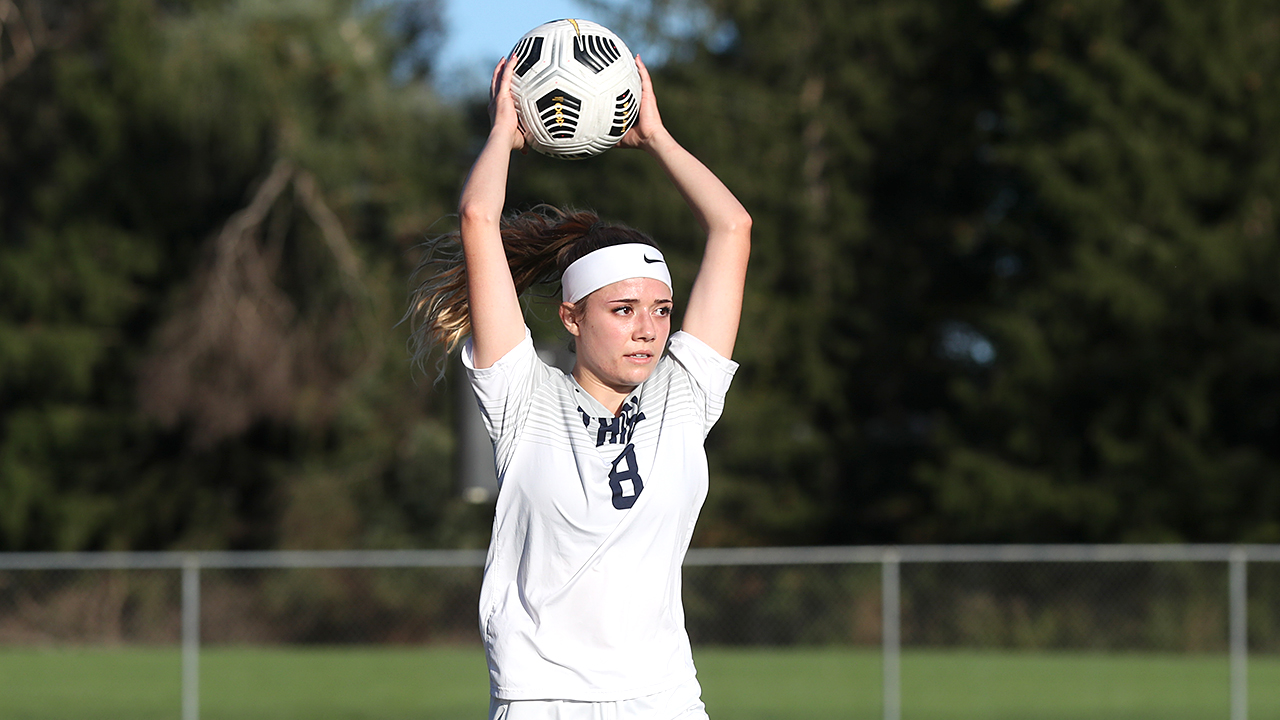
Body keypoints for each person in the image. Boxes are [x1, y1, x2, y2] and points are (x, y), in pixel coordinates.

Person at [408, 51, 751, 720]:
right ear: (572, 315)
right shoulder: (526, 401)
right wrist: (503, 136)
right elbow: (479, 221)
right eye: (623, 311)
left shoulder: (686, 397)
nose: (648, 329)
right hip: (544, 703)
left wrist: (657, 137)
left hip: (665, 702)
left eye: (660, 310)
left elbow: (732, 228)